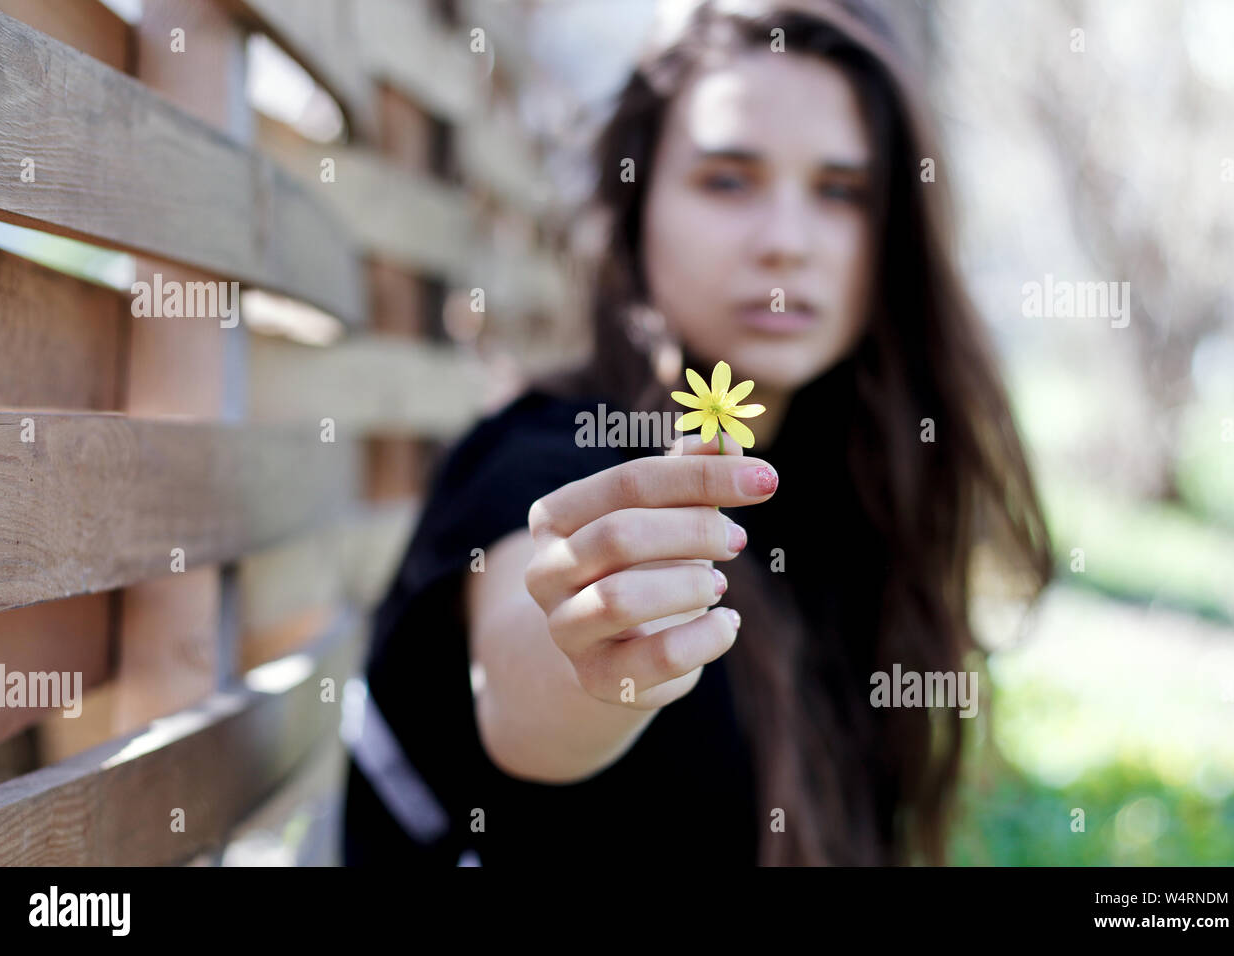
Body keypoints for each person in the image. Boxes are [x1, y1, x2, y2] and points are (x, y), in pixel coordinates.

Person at [342, 0, 1052, 867]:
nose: (786, 242)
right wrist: (600, 660)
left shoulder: (852, 493)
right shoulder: (538, 460)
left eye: (841, 191)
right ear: (635, 204)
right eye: (727, 178)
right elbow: (526, 685)